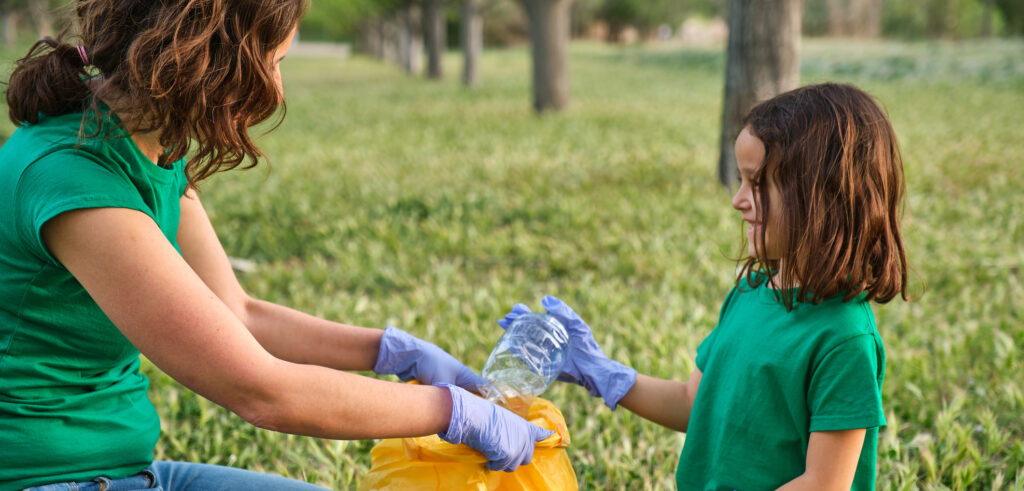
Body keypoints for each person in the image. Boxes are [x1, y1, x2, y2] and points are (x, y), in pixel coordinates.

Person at [0, 1, 552, 490]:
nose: (278, 91)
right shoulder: (75, 181)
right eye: (275, 62)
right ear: (206, 57)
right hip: (46, 478)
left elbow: (239, 313)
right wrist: (452, 412)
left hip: (131, 471)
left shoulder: (152, 149)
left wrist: (392, 350)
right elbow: (260, 391)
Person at [501, 83, 910, 489]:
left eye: (757, 184)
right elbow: (693, 402)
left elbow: (823, 484)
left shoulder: (844, 338)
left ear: (822, 196)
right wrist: (606, 374)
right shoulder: (752, 292)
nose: (738, 201)